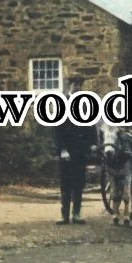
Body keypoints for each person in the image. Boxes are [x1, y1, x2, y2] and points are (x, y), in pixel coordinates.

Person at [52, 77, 97, 225]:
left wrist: (93, 143)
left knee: (78, 183)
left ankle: (76, 214)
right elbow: (57, 130)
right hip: (66, 152)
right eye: (75, 85)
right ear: (69, 86)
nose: (78, 87)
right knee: (65, 184)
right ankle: (64, 215)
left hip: (80, 152)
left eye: (80, 85)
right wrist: (62, 150)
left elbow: (92, 126)